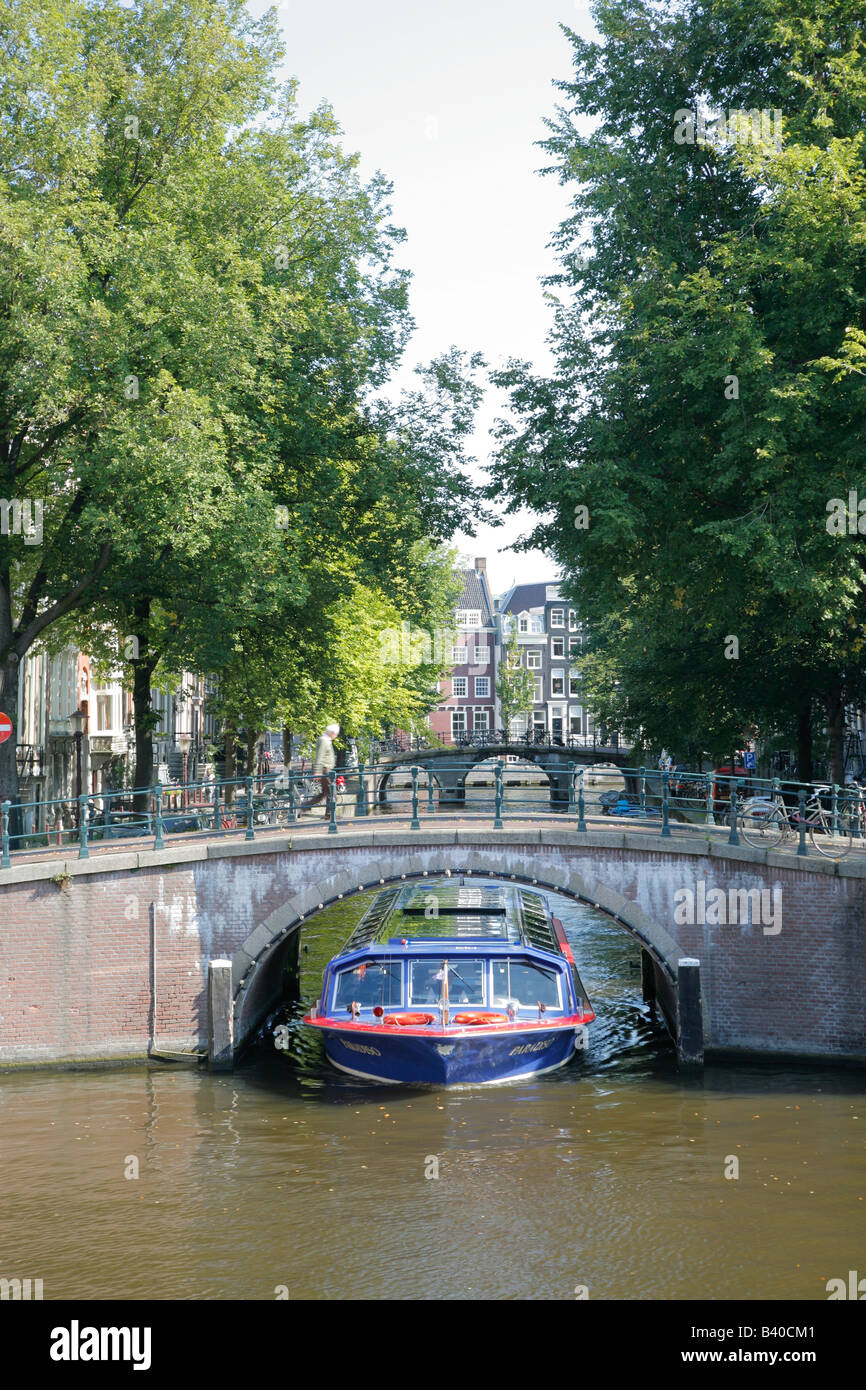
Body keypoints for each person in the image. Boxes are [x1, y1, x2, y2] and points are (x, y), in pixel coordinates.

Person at [300, 723, 340, 814]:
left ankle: (305, 806)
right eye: (336, 734)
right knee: (332, 794)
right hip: (325, 770)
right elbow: (320, 756)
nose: (336, 736)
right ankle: (329, 815)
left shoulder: (326, 740)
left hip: (326, 770)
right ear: (332, 733)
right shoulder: (324, 740)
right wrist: (317, 771)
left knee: (325, 793)